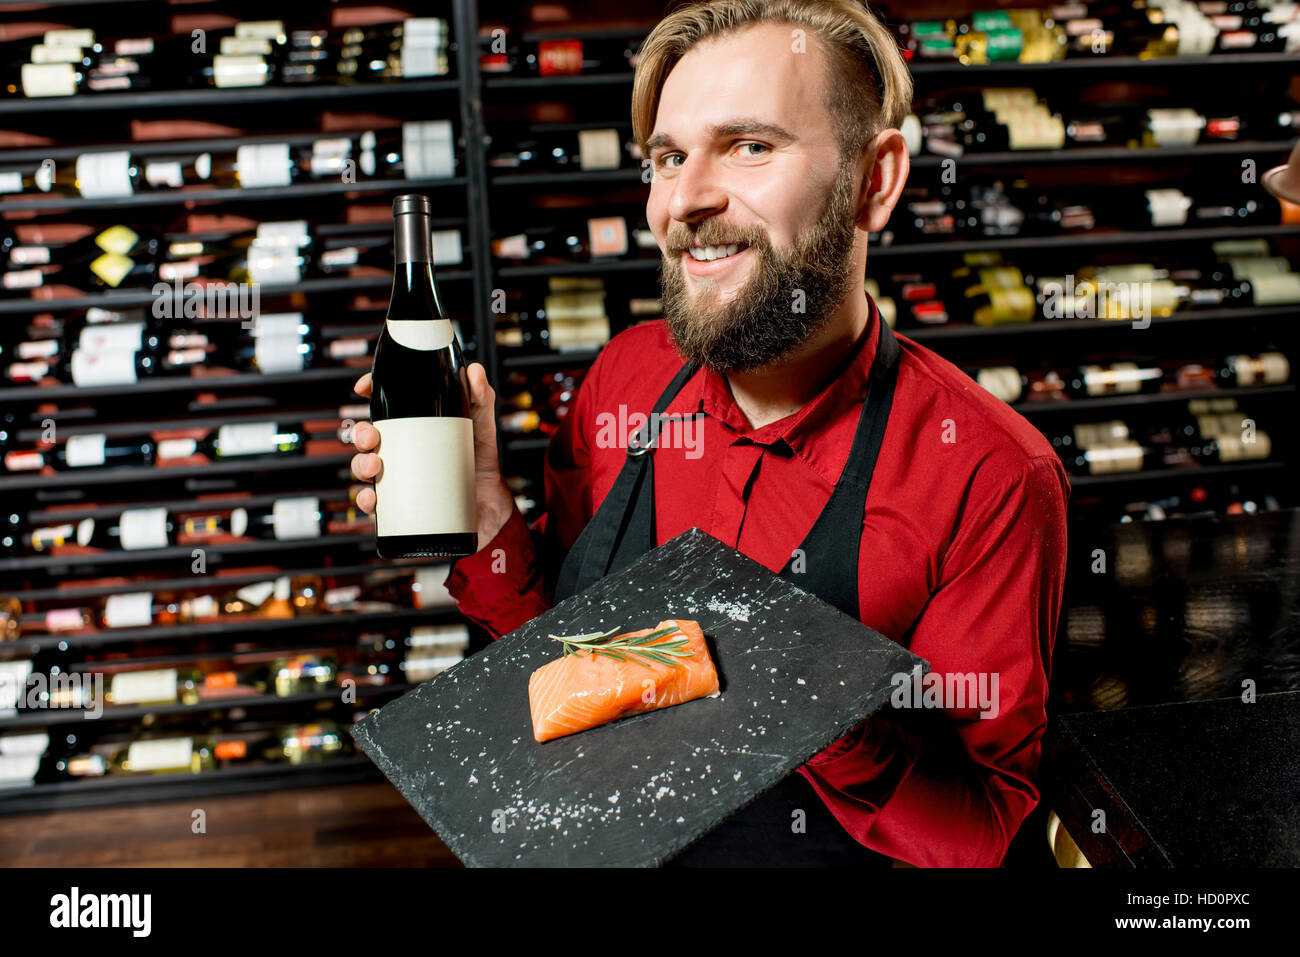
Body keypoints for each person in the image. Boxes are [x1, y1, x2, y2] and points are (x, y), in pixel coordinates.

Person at [349, 0, 1069, 867]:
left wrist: (810, 702)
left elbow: (981, 829)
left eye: (750, 145)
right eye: (667, 157)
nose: (684, 201)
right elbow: (578, 673)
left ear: (875, 180)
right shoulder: (626, 379)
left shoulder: (988, 475)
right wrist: (491, 520)